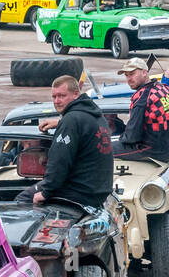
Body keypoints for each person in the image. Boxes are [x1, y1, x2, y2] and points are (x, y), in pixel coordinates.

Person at [26, 76, 114, 207]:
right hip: (98, 192)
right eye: (54, 97)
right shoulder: (95, 115)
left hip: (77, 193)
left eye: (61, 95)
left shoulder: (71, 120)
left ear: (76, 94)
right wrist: (61, 123)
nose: (57, 101)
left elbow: (59, 162)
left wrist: (45, 193)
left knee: (24, 198)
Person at [115, 56, 169, 162]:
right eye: (126, 75)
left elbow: (132, 137)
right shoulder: (165, 88)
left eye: (132, 74)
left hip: (155, 152)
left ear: (145, 72)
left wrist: (121, 138)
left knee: (104, 149)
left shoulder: (142, 98)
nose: (129, 79)